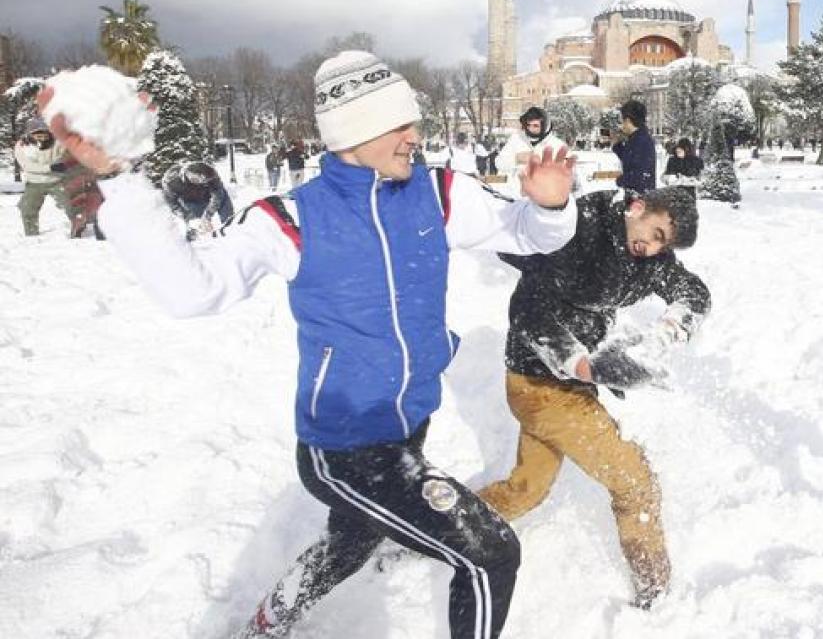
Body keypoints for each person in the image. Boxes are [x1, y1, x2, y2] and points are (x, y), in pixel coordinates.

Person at [41, 51, 578, 639]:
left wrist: (549, 206)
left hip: (407, 429)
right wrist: (119, 179)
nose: (413, 136)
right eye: (399, 124)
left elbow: (528, 235)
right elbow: (192, 290)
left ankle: (264, 625)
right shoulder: (293, 218)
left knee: (349, 543)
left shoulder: (440, 194)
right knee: (490, 554)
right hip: (344, 447)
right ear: (357, 132)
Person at [478, 186, 709, 610]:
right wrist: (584, 365)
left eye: (665, 243)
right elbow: (529, 310)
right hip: (540, 385)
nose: (654, 248)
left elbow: (693, 292)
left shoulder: (650, 256)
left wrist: (667, 331)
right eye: (656, 233)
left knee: (526, 489)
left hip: (568, 386)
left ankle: (432, 528)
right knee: (636, 482)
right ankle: (656, 593)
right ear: (638, 207)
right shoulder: (578, 228)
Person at [15, 119, 69, 236]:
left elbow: (67, 153)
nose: (42, 137)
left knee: (71, 203)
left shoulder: (57, 142)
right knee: (27, 208)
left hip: (56, 180)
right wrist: (50, 168)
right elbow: (27, 166)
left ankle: (78, 225)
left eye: (44, 134)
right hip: (34, 182)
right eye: (38, 135)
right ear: (30, 134)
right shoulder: (22, 146)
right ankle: (31, 234)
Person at [162, 160, 236, 240]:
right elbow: (173, 205)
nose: (204, 183)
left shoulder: (211, 173)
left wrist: (208, 214)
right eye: (199, 180)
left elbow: (218, 195)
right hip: (191, 201)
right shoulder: (171, 181)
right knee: (195, 222)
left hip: (209, 195)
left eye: (206, 181)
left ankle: (230, 229)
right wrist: (187, 216)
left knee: (224, 202)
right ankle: (194, 237)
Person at [497, 107, 566, 176]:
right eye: (528, 125)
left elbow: (565, 172)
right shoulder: (516, 139)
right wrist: (516, 159)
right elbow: (499, 163)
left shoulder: (557, 145)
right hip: (516, 185)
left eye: (535, 126)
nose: (530, 129)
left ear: (545, 127)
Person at [613, 99, 657, 192]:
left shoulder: (642, 140)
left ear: (628, 120)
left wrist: (621, 180)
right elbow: (630, 161)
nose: (622, 125)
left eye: (622, 121)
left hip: (641, 197)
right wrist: (617, 145)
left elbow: (640, 174)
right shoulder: (635, 138)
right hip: (636, 194)